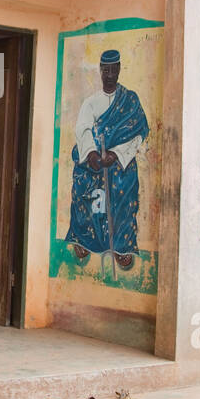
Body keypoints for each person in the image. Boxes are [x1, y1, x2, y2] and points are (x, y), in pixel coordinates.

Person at [65, 49, 149, 270]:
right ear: (100, 71)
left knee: (122, 203)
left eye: (114, 69)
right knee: (84, 193)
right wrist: (92, 154)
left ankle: (121, 247)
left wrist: (116, 154)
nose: (110, 74)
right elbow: (82, 130)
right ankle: (84, 240)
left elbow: (139, 132)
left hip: (120, 165)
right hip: (94, 164)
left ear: (119, 69)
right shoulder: (91, 103)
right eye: (106, 69)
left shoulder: (130, 100)